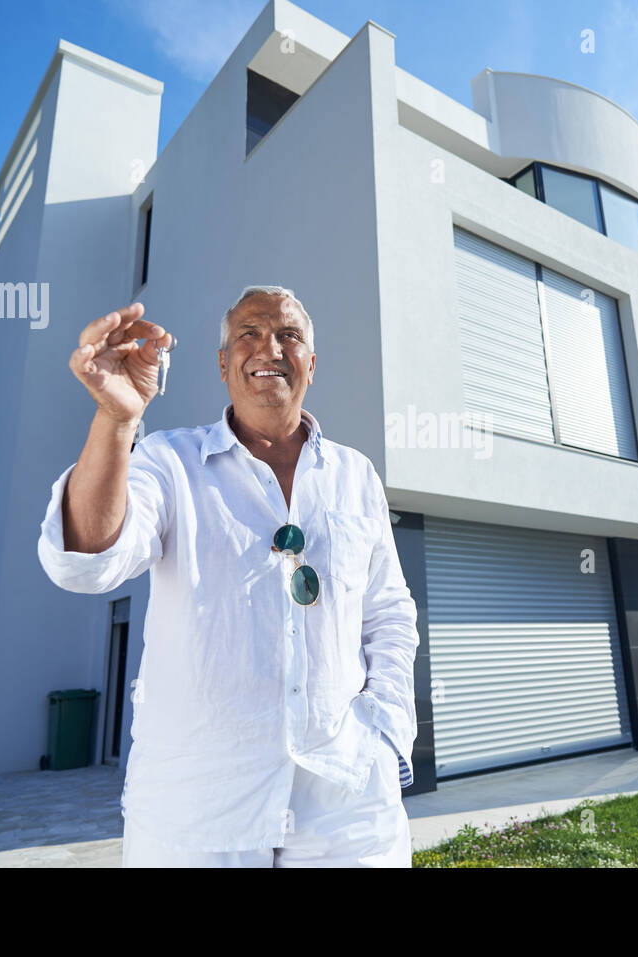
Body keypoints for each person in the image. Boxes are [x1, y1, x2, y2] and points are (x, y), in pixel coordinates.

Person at [36, 287, 419, 867]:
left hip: (346, 804)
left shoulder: (356, 475)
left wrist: (383, 735)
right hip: (195, 813)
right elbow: (89, 558)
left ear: (311, 364)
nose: (270, 346)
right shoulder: (169, 463)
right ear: (222, 364)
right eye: (249, 332)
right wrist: (117, 421)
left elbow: (389, 613)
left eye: (289, 335)